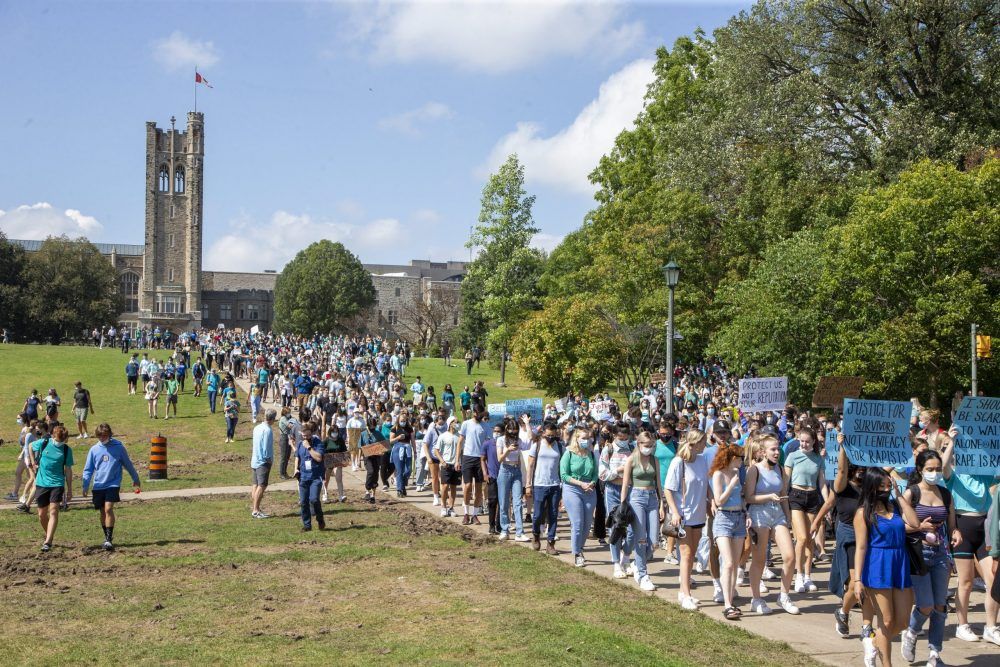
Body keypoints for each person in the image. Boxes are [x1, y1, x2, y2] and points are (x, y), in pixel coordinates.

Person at [854, 467, 923, 667]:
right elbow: (860, 547)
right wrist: (858, 580)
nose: (885, 490)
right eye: (880, 486)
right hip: (877, 564)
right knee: (886, 621)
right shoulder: (863, 513)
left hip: (899, 562)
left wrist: (899, 494)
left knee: (902, 622)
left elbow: (915, 522)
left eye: (887, 485)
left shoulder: (894, 505)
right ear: (871, 488)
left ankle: (873, 642)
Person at [900, 450, 960, 665]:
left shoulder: (945, 494)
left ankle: (934, 653)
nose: (934, 473)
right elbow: (897, 527)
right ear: (920, 470)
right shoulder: (911, 494)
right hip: (918, 553)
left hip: (941, 554)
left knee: (940, 605)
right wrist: (918, 526)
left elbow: (952, 524)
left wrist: (955, 533)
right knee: (925, 604)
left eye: (937, 469)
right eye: (930, 469)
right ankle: (912, 632)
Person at [939, 433, 1000, 644]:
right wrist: (953, 443)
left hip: (984, 527)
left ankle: (991, 626)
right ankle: (962, 625)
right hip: (963, 526)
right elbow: (943, 466)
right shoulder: (955, 475)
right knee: (965, 581)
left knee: (993, 579)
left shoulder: (986, 474)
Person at [744, 432, 800, 615]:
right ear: (763, 451)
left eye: (778, 448)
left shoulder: (780, 469)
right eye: (773, 449)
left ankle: (783, 595)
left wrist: (788, 516)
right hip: (759, 513)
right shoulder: (754, 470)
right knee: (759, 559)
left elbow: (783, 494)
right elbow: (749, 497)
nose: (777, 452)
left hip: (777, 514)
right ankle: (756, 599)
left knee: (790, 556)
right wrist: (768, 496)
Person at [666, 428, 710, 610]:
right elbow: (668, 489)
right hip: (683, 515)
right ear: (693, 443)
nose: (705, 445)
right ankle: (686, 593)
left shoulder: (702, 460)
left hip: (699, 514)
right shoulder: (679, 462)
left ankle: (684, 590)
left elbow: (705, 484)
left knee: (692, 554)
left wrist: (711, 501)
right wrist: (675, 512)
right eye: (702, 442)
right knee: (685, 554)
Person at [81, 423, 141, 550]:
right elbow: (88, 469)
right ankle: (106, 536)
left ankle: (109, 539)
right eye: (99, 436)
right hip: (98, 485)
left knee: (108, 509)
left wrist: (135, 478)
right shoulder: (94, 449)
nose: (102, 438)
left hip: (113, 483)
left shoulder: (118, 447)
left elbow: (128, 464)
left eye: (104, 436)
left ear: (109, 434)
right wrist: (85, 485)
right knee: (102, 511)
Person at [784, 426, 826, 593]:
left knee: (810, 539)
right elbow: (785, 480)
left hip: (813, 497)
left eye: (807, 441)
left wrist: (827, 502)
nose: (804, 444)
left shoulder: (818, 458)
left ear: (813, 442)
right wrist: (782, 500)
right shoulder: (792, 456)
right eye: (801, 441)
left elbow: (822, 483)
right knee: (801, 538)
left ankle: (808, 576)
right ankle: (798, 575)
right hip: (796, 496)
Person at [621, 431, 664, 591]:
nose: (649, 449)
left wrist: (661, 504)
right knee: (641, 538)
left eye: (651, 446)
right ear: (639, 444)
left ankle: (638, 563)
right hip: (636, 497)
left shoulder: (655, 460)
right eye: (646, 446)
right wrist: (623, 505)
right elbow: (625, 484)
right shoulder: (631, 460)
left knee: (654, 541)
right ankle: (643, 574)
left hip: (652, 497)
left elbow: (658, 482)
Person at [710, 442, 748, 620]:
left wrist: (746, 513)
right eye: (740, 458)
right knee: (729, 562)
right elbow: (718, 501)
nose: (742, 461)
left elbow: (740, 497)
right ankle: (726, 604)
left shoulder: (736, 473)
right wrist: (731, 485)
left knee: (735, 562)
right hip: (723, 519)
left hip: (739, 518)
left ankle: (731, 599)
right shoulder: (719, 474)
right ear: (732, 458)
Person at [29, 425, 74, 552]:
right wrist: (33, 462)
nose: (61, 442)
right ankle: (50, 535)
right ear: (53, 435)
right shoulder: (44, 443)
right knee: (42, 515)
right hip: (42, 483)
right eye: (59, 439)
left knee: (54, 511)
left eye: (63, 439)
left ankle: (47, 541)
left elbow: (68, 470)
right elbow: (30, 446)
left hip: (57, 483)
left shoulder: (66, 450)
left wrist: (70, 489)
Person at [600, 422, 635, 578]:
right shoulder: (608, 450)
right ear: (614, 435)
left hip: (631, 490)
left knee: (633, 528)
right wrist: (620, 470)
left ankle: (626, 558)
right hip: (613, 490)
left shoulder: (633, 449)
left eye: (626, 437)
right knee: (616, 527)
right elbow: (602, 474)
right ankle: (616, 564)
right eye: (621, 437)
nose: (624, 439)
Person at [561, 426, 599, 568]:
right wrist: (580, 483)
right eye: (583, 438)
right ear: (576, 439)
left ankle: (580, 547)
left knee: (587, 523)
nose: (586, 440)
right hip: (572, 489)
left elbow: (595, 472)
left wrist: (592, 483)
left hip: (589, 490)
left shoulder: (591, 454)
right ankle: (577, 553)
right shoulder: (569, 454)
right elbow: (564, 475)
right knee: (577, 523)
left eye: (588, 438)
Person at [525, 419, 563, 555]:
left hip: (554, 485)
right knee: (538, 514)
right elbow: (530, 465)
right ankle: (536, 535)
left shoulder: (559, 446)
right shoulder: (537, 445)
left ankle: (551, 543)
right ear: (543, 433)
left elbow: (562, 466)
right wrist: (528, 484)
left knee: (553, 514)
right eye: (548, 435)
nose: (551, 438)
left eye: (553, 435)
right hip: (539, 484)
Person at [496, 417, 529, 542]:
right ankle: (505, 529)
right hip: (505, 470)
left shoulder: (519, 440)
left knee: (518, 502)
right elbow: (499, 459)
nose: (513, 432)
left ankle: (519, 532)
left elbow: (531, 440)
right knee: (504, 501)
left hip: (516, 471)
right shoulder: (500, 440)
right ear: (506, 429)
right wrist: (508, 450)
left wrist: (527, 424)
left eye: (515, 430)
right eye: (511, 429)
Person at [457, 409, 488, 525]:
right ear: (474, 413)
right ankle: (466, 513)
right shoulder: (466, 423)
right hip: (467, 457)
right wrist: (457, 460)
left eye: (482, 413)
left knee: (479, 488)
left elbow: (488, 442)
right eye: (479, 413)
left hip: (480, 458)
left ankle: (475, 514)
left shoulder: (485, 426)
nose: (480, 415)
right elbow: (460, 442)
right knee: (468, 486)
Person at [294, 423, 325, 531]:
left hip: (316, 477)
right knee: (303, 502)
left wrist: (309, 447)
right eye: (303, 436)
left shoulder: (318, 443)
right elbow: (297, 457)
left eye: (307, 436)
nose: (305, 438)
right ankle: (307, 525)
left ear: (311, 434)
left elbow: (319, 458)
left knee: (314, 499)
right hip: (303, 476)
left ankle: (320, 518)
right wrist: (296, 469)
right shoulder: (299, 444)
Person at [250, 409, 276, 519]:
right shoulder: (268, 430)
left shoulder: (257, 427)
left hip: (255, 460)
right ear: (273, 419)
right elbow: (266, 448)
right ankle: (255, 510)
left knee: (255, 485)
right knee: (262, 485)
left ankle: (256, 508)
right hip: (263, 462)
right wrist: (268, 459)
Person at [434, 417, 461, 516]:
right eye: (455, 422)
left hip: (457, 465)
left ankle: (451, 508)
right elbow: (436, 450)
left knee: (454, 487)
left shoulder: (460, 436)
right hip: (446, 464)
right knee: (445, 486)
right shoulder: (443, 436)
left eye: (458, 422)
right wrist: (442, 461)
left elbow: (462, 450)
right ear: (450, 424)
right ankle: (443, 507)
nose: (457, 424)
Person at [390, 411, 415, 498]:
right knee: (399, 470)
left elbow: (412, 440)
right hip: (398, 448)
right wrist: (398, 437)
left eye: (404, 420)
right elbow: (391, 440)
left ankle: (402, 485)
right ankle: (399, 489)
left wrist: (414, 451)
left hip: (407, 448)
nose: (403, 422)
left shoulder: (409, 428)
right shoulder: (395, 428)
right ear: (398, 420)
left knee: (408, 470)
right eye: (401, 420)